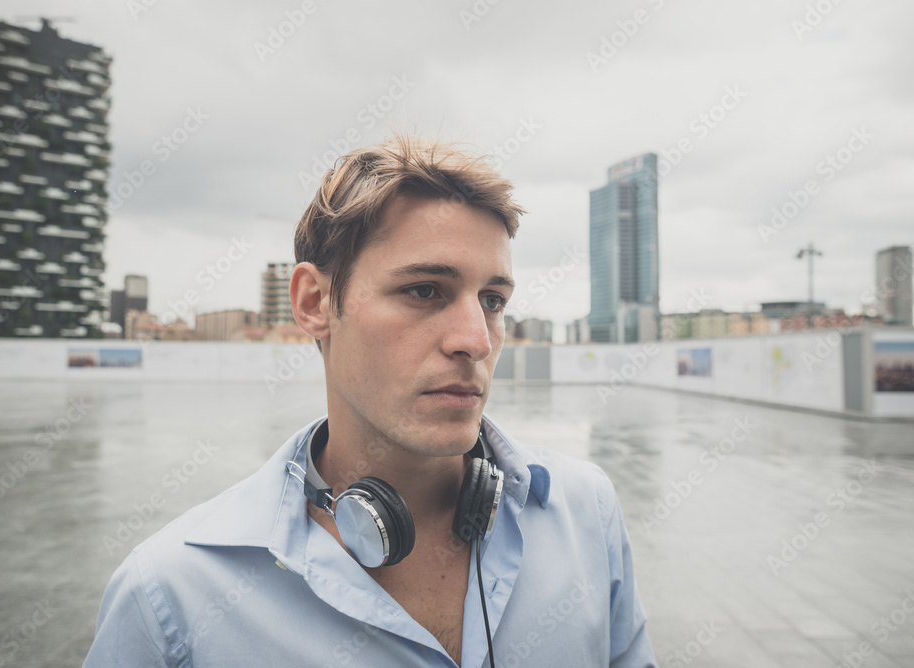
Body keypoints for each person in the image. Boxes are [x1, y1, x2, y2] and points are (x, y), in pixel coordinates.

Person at [84, 135, 657, 667]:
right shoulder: (171, 598)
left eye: (492, 300)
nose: (476, 341)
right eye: (424, 290)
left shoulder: (586, 513)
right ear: (313, 303)